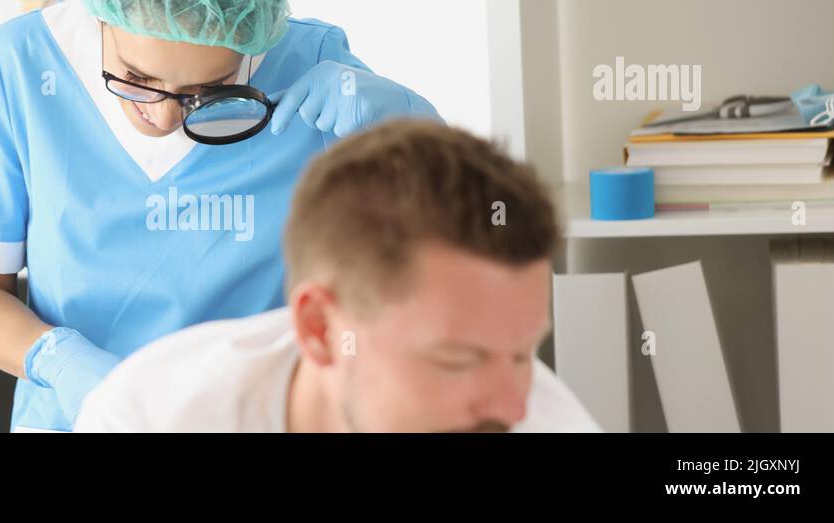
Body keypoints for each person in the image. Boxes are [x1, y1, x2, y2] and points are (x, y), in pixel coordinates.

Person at [0, 0, 442, 431]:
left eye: (207, 94)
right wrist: (57, 360)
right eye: (136, 78)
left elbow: (466, 236)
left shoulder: (312, 63)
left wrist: (418, 131)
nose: (164, 118)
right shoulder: (22, 65)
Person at [75, 120, 601, 433]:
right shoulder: (156, 415)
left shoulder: (549, 422)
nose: (511, 405)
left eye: (522, 354)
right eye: (458, 359)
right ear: (321, 329)